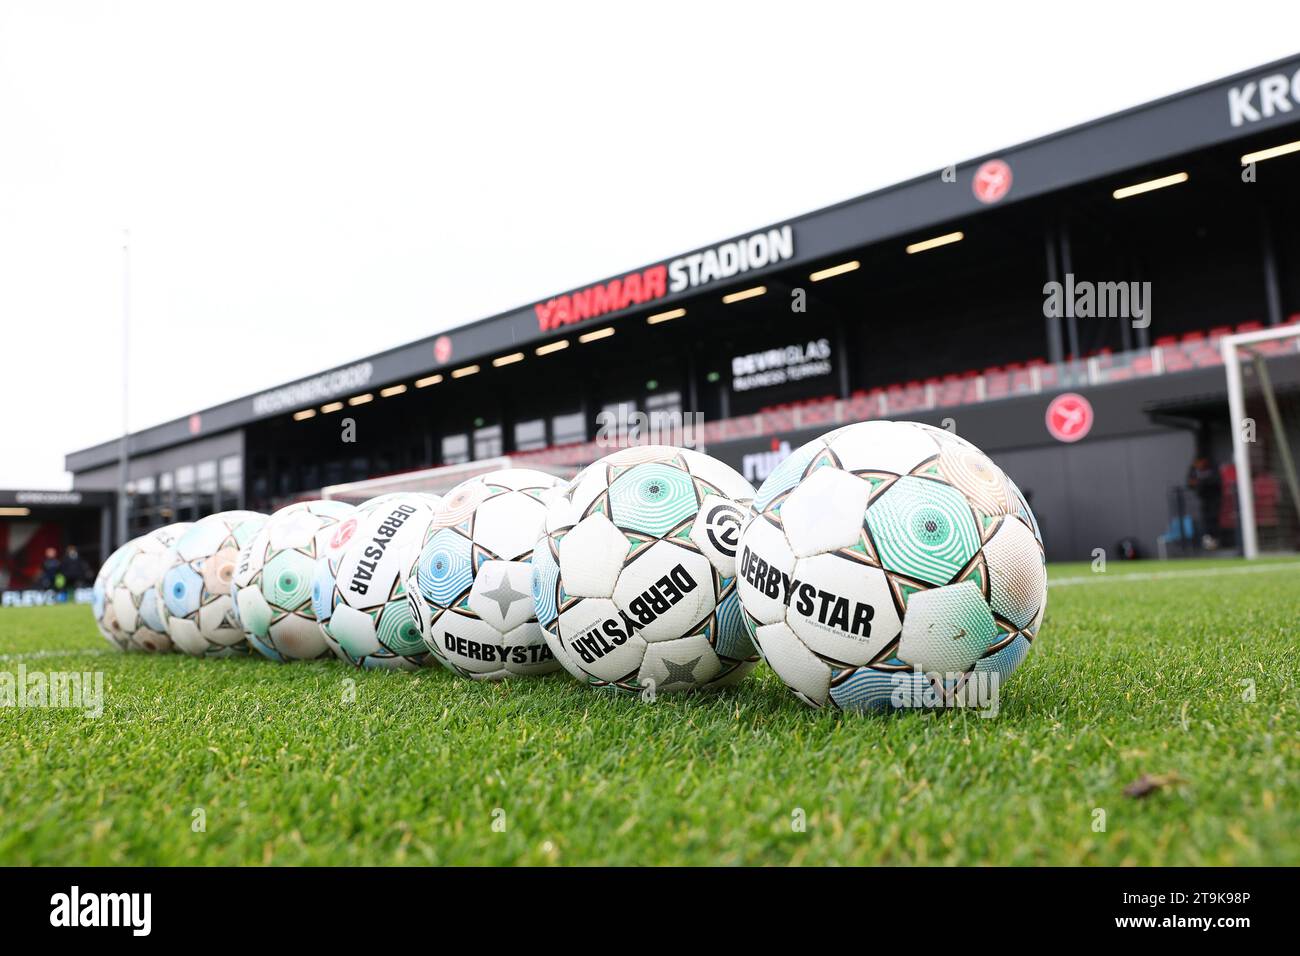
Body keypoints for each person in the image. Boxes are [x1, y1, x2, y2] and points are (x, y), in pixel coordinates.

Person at [1187, 454, 1222, 550]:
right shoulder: (1193, 470)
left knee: (1213, 520)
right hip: (1203, 499)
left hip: (1214, 499)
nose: (1199, 465)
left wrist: (1202, 481)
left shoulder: (1212, 469)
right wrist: (1199, 483)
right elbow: (1190, 483)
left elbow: (1216, 481)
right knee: (1205, 520)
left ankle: (1215, 542)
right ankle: (1208, 542)